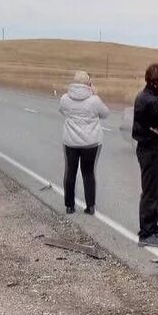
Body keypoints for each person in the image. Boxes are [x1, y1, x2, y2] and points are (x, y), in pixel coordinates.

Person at [132, 63, 158, 246]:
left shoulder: (145, 96)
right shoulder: (150, 100)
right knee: (150, 192)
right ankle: (146, 233)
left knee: (156, 191)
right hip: (149, 150)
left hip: (150, 148)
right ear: (157, 81)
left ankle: (153, 227)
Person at [59, 71, 109, 215]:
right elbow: (105, 114)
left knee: (70, 172)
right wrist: (95, 95)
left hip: (70, 142)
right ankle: (90, 206)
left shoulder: (65, 98)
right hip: (91, 143)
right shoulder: (94, 100)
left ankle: (69, 206)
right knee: (89, 173)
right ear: (89, 84)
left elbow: (62, 111)